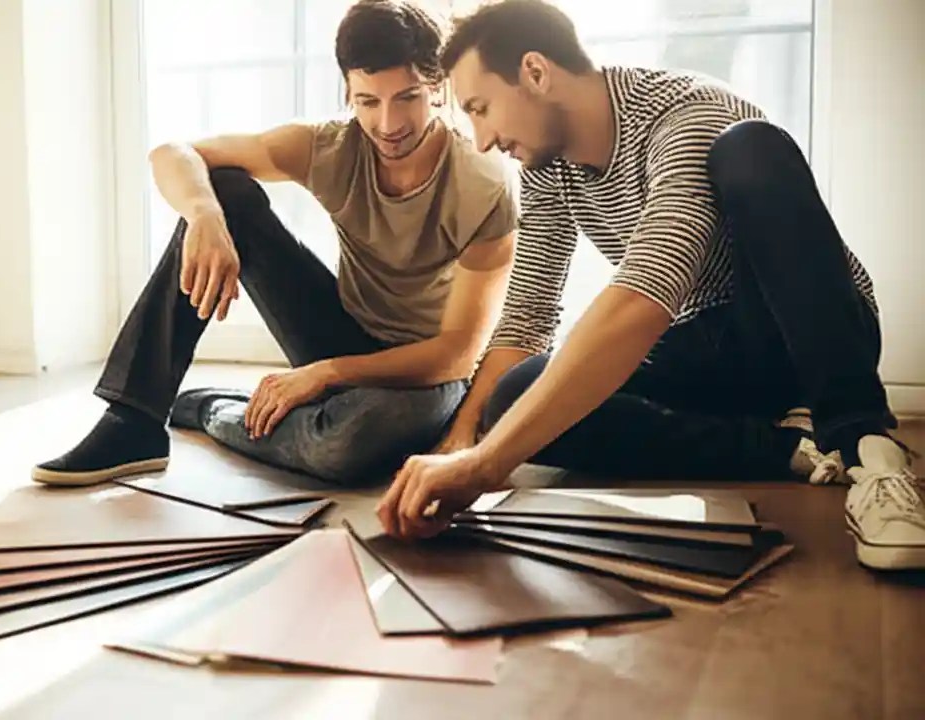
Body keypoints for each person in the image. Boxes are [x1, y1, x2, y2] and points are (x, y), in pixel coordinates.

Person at [377, 0, 924, 571]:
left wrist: (488, 465)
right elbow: (528, 315)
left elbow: (645, 296)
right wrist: (466, 442)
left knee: (751, 146)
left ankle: (869, 448)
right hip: (708, 350)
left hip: (803, 330)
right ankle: (791, 448)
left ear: (535, 72)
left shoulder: (685, 113)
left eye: (481, 108)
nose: (482, 139)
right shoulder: (544, 166)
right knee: (514, 397)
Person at [33, 0, 517, 488]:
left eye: (406, 97)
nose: (389, 124)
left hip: (423, 371)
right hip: (341, 329)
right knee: (223, 189)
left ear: (437, 89)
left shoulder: (481, 184)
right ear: (348, 91)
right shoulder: (331, 148)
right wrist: (203, 215)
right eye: (369, 101)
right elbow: (174, 153)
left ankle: (215, 411)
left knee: (346, 444)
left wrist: (324, 375)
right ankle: (134, 420)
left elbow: (456, 354)